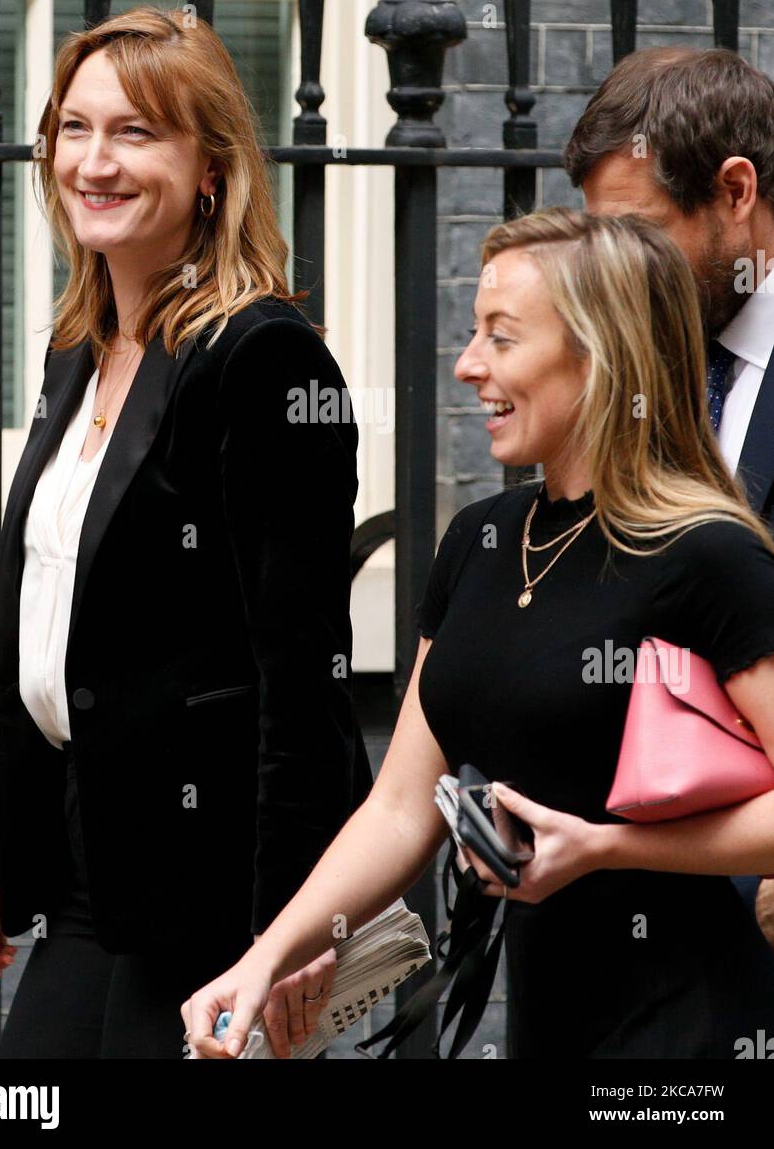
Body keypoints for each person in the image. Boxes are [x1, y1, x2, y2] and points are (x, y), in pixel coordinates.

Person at [181, 208, 774, 1060]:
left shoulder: (704, 553)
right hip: (546, 1016)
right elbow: (398, 810)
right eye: (472, 335)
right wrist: (265, 956)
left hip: (693, 1027)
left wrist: (608, 849)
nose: (467, 367)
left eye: (502, 339)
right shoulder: (484, 540)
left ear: (602, 354)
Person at [0, 5, 372, 1059]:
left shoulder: (260, 360)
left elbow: (301, 672)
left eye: (134, 133)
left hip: (216, 892)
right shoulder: (78, 352)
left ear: (210, 168)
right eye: (73, 130)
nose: (93, 160)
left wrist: (289, 928)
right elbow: (58, 639)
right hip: (96, 872)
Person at [565, 45, 774, 935]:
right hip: (646, 923)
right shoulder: (634, 364)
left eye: (642, 234)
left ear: (736, 192)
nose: (620, 274)